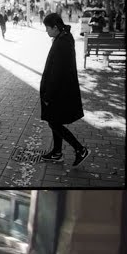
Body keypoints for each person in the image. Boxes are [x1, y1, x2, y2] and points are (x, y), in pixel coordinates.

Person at [39, 13, 91, 166]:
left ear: (55, 27)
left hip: (59, 91)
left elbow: (57, 72)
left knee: (54, 122)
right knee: (55, 120)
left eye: (48, 28)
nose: (47, 31)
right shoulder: (64, 37)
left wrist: (48, 95)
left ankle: (80, 149)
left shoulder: (62, 43)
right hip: (61, 89)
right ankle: (57, 152)